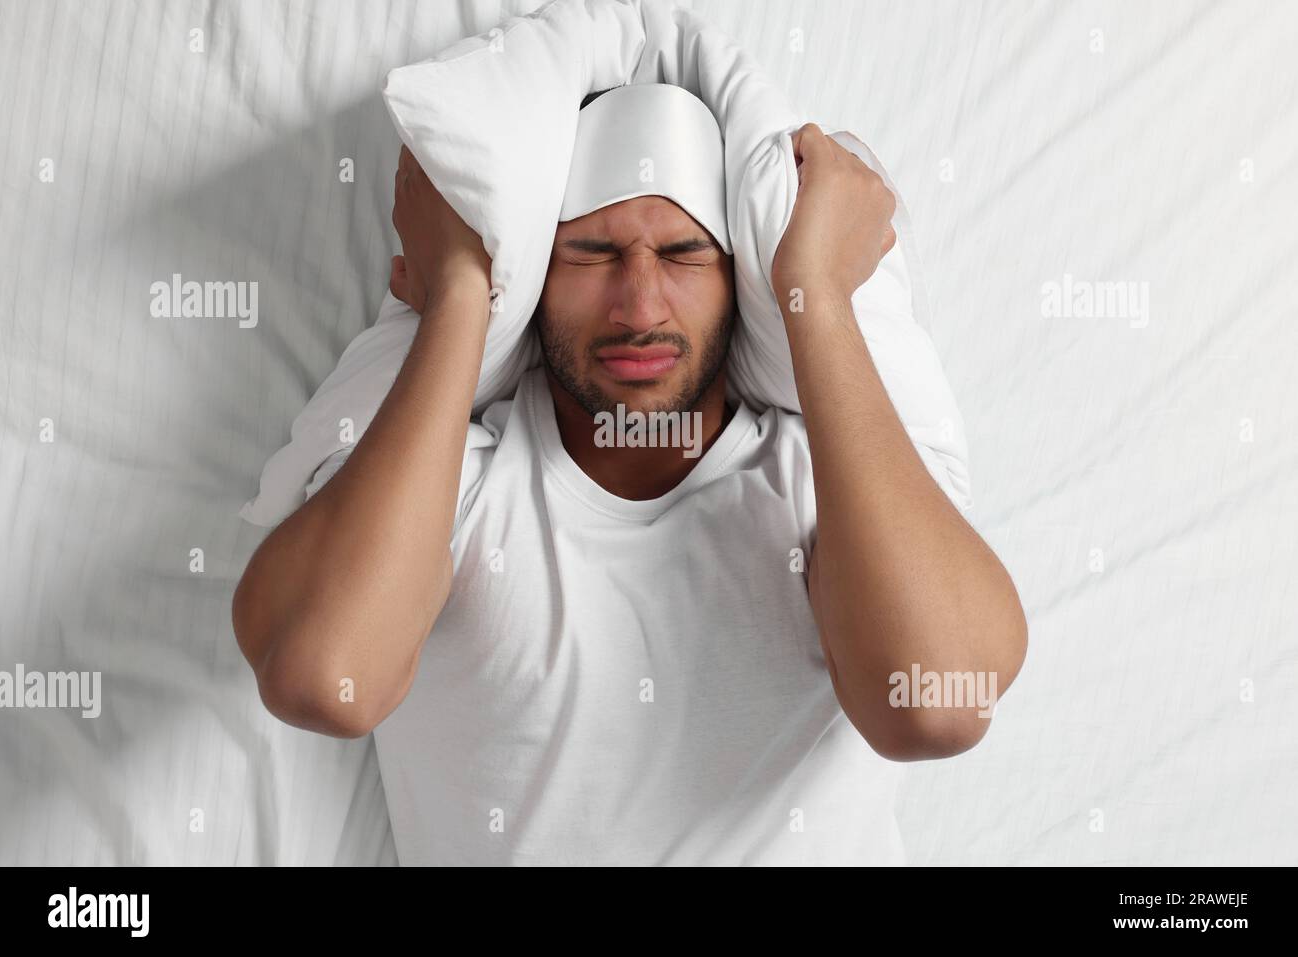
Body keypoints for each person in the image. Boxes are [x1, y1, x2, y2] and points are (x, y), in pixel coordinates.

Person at [232, 84, 1028, 865]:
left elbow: (936, 705)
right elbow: (320, 675)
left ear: (739, 285)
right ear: (537, 277)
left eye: (684, 254)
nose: (640, 305)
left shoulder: (823, 493)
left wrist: (816, 292)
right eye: (593, 253)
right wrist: (461, 296)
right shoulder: (454, 491)